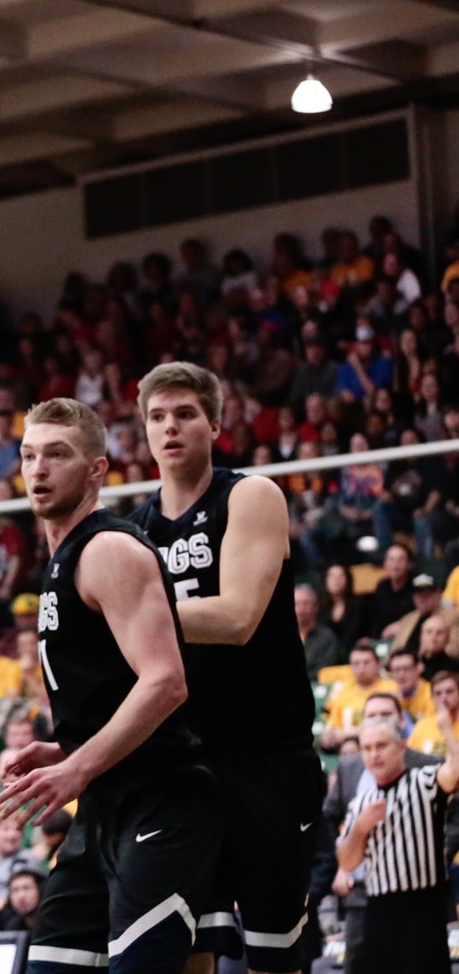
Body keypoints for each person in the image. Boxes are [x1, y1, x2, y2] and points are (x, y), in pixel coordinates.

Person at [0, 398, 217, 973]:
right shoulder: (60, 558)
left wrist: (77, 767)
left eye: (57, 455)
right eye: (28, 455)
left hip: (161, 800)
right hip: (101, 807)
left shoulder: (109, 549)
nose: (38, 469)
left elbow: (166, 682)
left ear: (96, 470)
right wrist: (68, 751)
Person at [130, 362, 322, 974]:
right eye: (157, 417)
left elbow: (239, 616)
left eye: (185, 413)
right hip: (181, 766)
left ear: (215, 423)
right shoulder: (133, 530)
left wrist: (133, 618)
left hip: (264, 755)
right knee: (190, 952)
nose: (170, 427)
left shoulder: (251, 495)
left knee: (274, 957)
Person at [337, 710, 459, 974]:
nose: (374, 754)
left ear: (402, 747)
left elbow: (456, 771)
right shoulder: (361, 803)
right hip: (379, 912)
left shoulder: (425, 781)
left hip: (424, 910)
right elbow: (347, 861)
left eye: (381, 745)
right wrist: (360, 828)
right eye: (367, 748)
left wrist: (447, 730)